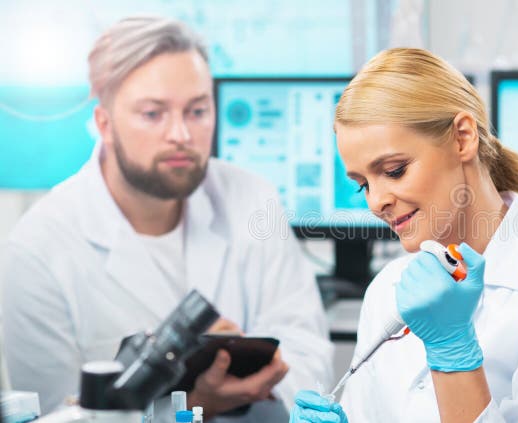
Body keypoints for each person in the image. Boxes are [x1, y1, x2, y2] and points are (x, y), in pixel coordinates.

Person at [0, 16, 332, 420]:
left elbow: (309, 349)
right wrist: (195, 405)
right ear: (105, 124)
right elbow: (53, 412)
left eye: (197, 110)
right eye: (153, 114)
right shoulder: (38, 247)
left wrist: (256, 367)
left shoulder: (252, 198)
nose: (181, 134)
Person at [290, 48, 518, 422]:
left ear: (462, 138)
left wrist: (452, 350)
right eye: (362, 185)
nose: (376, 202)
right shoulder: (389, 288)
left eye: (394, 171)